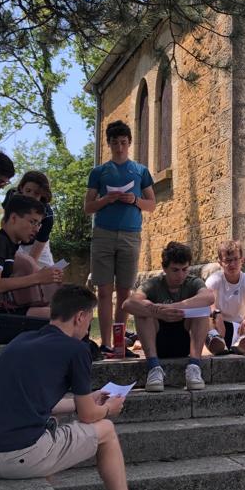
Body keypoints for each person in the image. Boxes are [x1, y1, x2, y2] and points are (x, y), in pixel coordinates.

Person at [0, 284, 161, 490]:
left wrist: (87, 400)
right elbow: (91, 418)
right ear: (80, 317)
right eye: (88, 319)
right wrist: (107, 408)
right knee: (106, 431)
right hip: (18, 457)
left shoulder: (22, 341)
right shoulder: (76, 350)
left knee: (50, 423)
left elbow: (35, 403)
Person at [85, 120, 156, 356]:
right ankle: (105, 343)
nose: (119, 147)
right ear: (109, 144)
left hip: (130, 235)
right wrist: (107, 199)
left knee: (124, 293)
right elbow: (88, 207)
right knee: (104, 291)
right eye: (115, 143)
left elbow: (152, 204)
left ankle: (119, 343)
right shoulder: (99, 172)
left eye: (123, 143)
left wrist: (134, 200)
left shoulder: (140, 171)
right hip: (103, 234)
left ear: (129, 143)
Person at [122, 241, 215, 392]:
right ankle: (153, 368)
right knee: (143, 309)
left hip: (185, 339)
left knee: (202, 309)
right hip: (158, 340)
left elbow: (209, 298)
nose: (181, 275)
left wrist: (170, 307)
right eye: (175, 270)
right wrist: (157, 312)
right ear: (165, 268)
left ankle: (194, 367)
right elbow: (128, 304)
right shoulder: (153, 284)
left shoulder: (193, 282)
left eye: (185, 269)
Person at [205, 240, 245, 355]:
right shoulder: (215, 279)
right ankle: (214, 337)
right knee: (203, 310)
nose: (232, 264)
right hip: (219, 327)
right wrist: (216, 314)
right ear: (220, 263)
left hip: (241, 329)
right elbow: (206, 298)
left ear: (242, 260)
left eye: (235, 259)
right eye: (227, 260)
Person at [4, 170, 56, 268]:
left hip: (34, 245)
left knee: (42, 273)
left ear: (42, 195)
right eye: (28, 191)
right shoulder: (11, 196)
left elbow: (34, 257)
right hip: (12, 239)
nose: (30, 196)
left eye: (36, 193)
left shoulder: (47, 217)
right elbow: (6, 223)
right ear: (21, 188)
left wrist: (30, 266)